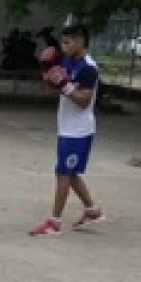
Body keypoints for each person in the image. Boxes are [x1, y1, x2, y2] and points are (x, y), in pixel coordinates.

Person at [30, 24, 106, 236]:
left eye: (67, 42)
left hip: (79, 130)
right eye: (62, 42)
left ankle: (54, 222)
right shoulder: (66, 62)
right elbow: (52, 93)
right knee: (70, 174)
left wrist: (64, 85)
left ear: (80, 41)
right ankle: (92, 210)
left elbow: (84, 101)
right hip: (66, 127)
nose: (63, 46)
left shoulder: (88, 68)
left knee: (63, 173)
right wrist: (47, 73)